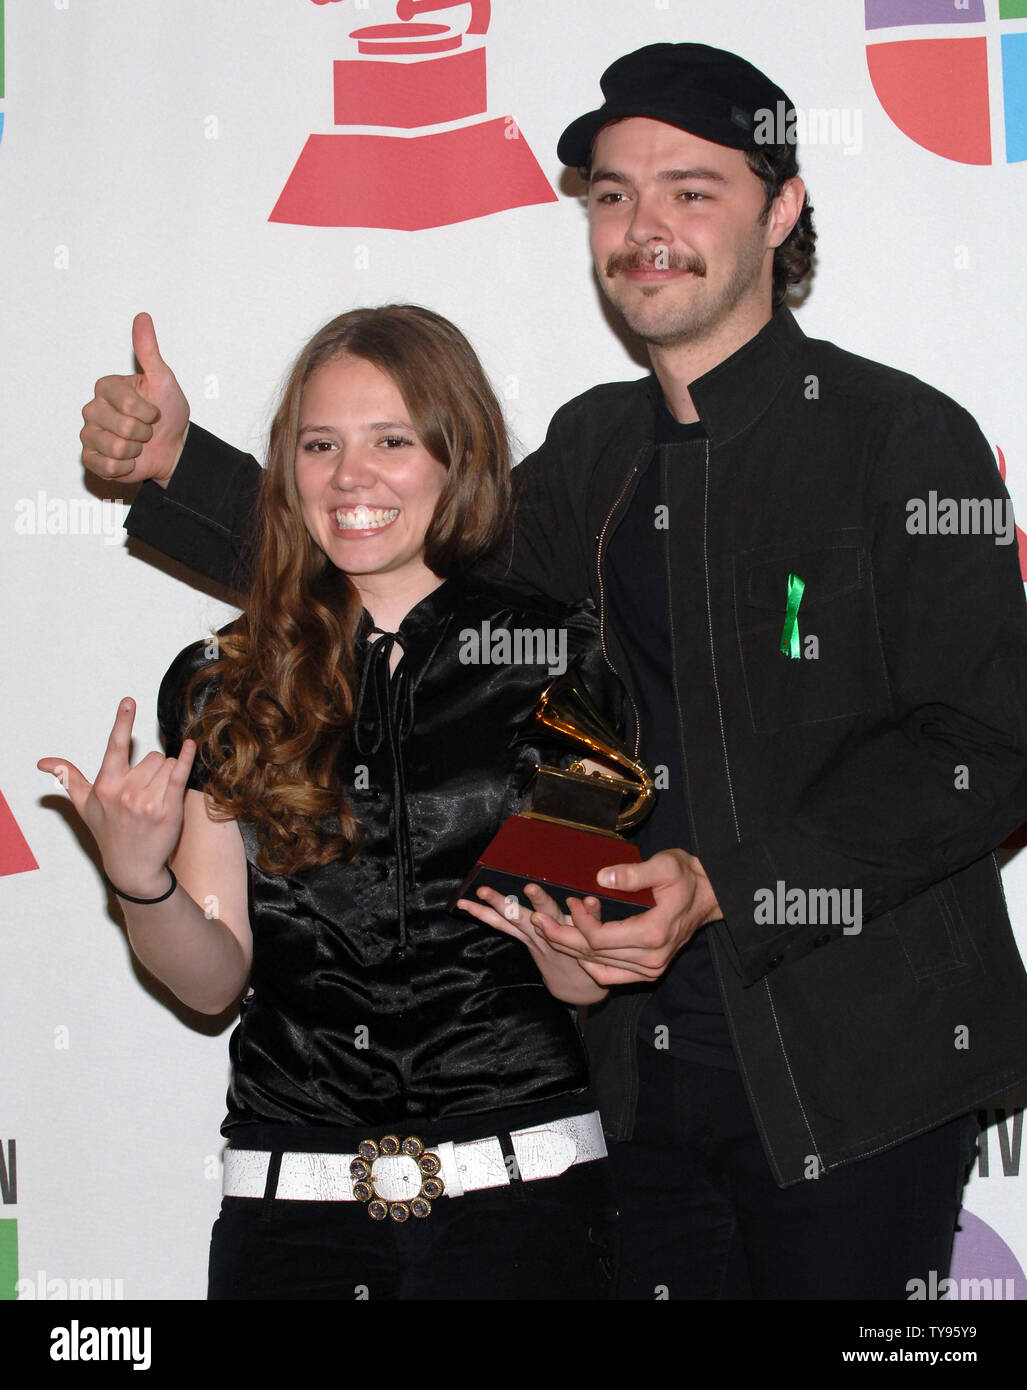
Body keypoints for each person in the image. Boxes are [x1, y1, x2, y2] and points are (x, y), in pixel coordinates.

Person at [79, 45, 1027, 1301]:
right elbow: (389, 552)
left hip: (850, 1069)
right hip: (626, 1083)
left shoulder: (901, 438)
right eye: (615, 194)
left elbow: (988, 746)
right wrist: (177, 466)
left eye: (693, 190)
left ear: (781, 207)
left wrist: (724, 882)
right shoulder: (592, 449)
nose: (647, 227)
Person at [46, 304, 621, 1301]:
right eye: (320, 444)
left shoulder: (554, 660)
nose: (350, 478)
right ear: (289, 467)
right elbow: (212, 977)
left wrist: (574, 946)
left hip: (524, 1211)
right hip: (291, 1224)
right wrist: (140, 883)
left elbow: (581, 976)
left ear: (459, 458)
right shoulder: (222, 679)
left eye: (391, 441)